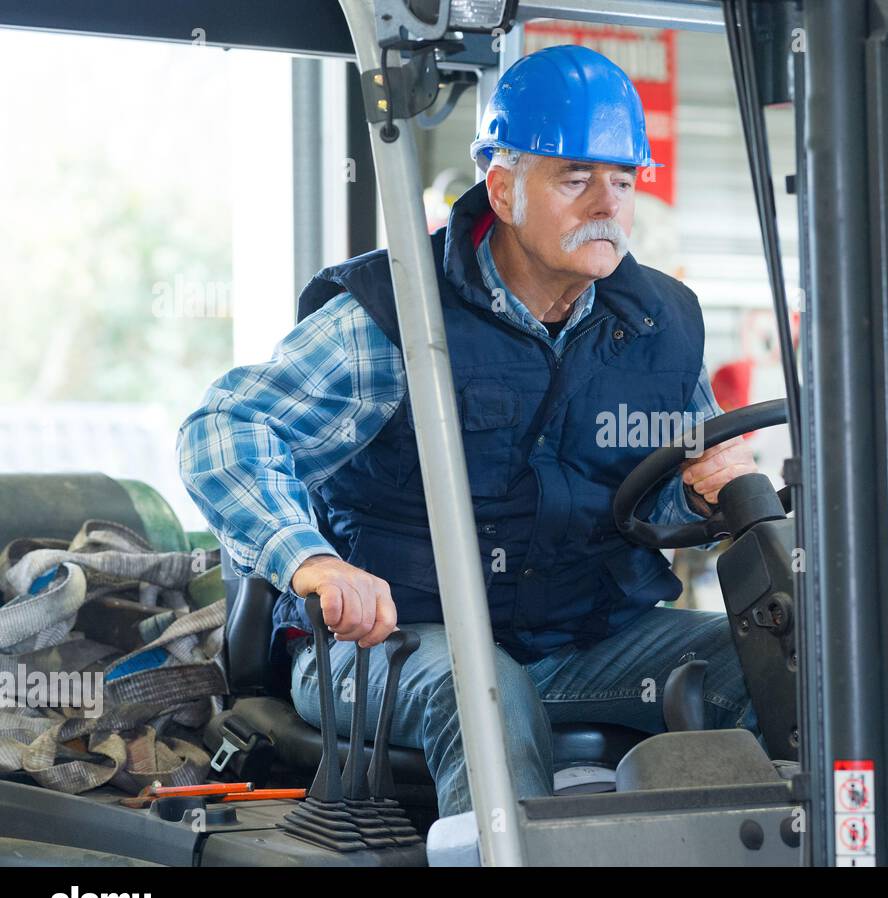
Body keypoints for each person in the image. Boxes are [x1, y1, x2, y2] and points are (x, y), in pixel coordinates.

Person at [178, 45, 759, 817]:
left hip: (581, 644)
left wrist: (707, 500)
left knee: (777, 659)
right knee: (484, 688)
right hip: (384, 648)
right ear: (505, 189)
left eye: (622, 180)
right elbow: (225, 428)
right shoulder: (396, 315)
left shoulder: (661, 324)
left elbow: (659, 501)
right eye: (576, 178)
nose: (608, 206)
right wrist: (312, 562)